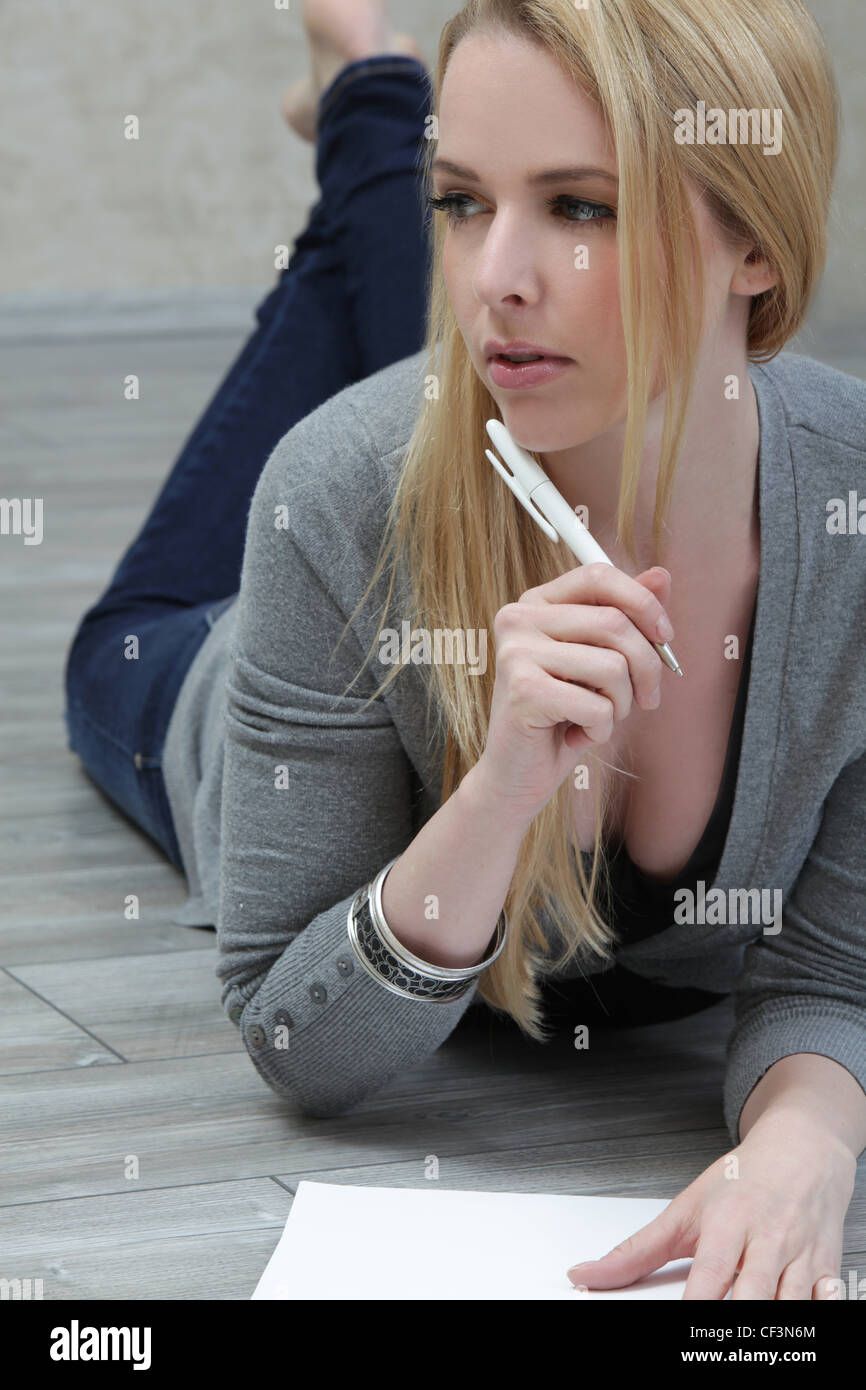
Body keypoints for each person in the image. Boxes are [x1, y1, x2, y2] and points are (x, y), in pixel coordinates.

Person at [64, 0, 866, 1301]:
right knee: (248, 531)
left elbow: (836, 965)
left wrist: (802, 1143)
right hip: (189, 663)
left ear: (755, 246)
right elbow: (293, 1034)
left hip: (489, 420)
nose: (495, 269)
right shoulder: (334, 491)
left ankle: (365, 98)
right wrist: (499, 789)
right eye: (457, 199)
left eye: (583, 206)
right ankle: (370, 104)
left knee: (471, 351)